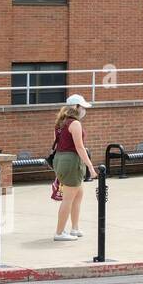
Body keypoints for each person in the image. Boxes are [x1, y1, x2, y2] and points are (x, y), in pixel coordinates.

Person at [52, 95, 96, 242]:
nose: (84, 110)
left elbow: (57, 143)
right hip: (71, 161)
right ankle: (59, 232)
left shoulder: (61, 122)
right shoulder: (75, 124)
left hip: (60, 159)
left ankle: (74, 228)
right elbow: (79, 147)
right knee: (69, 198)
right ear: (76, 107)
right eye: (82, 107)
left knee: (78, 194)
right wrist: (91, 166)